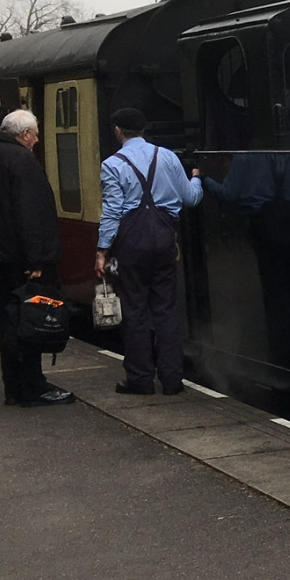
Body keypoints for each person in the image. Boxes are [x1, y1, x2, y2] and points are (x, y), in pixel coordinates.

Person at [0, 109, 74, 406]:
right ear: (24, 134)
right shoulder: (22, 161)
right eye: (35, 134)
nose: (37, 140)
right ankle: (31, 387)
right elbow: (30, 215)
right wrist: (36, 261)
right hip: (22, 260)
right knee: (30, 322)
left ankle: (14, 385)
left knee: (8, 321)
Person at [96, 107, 202, 395]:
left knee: (134, 309)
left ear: (118, 130)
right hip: (165, 240)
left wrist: (102, 250)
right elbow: (191, 198)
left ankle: (141, 379)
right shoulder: (166, 156)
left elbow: (112, 213)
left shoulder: (112, 165)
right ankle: (172, 379)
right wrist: (196, 178)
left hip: (131, 244)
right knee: (166, 308)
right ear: (144, 129)